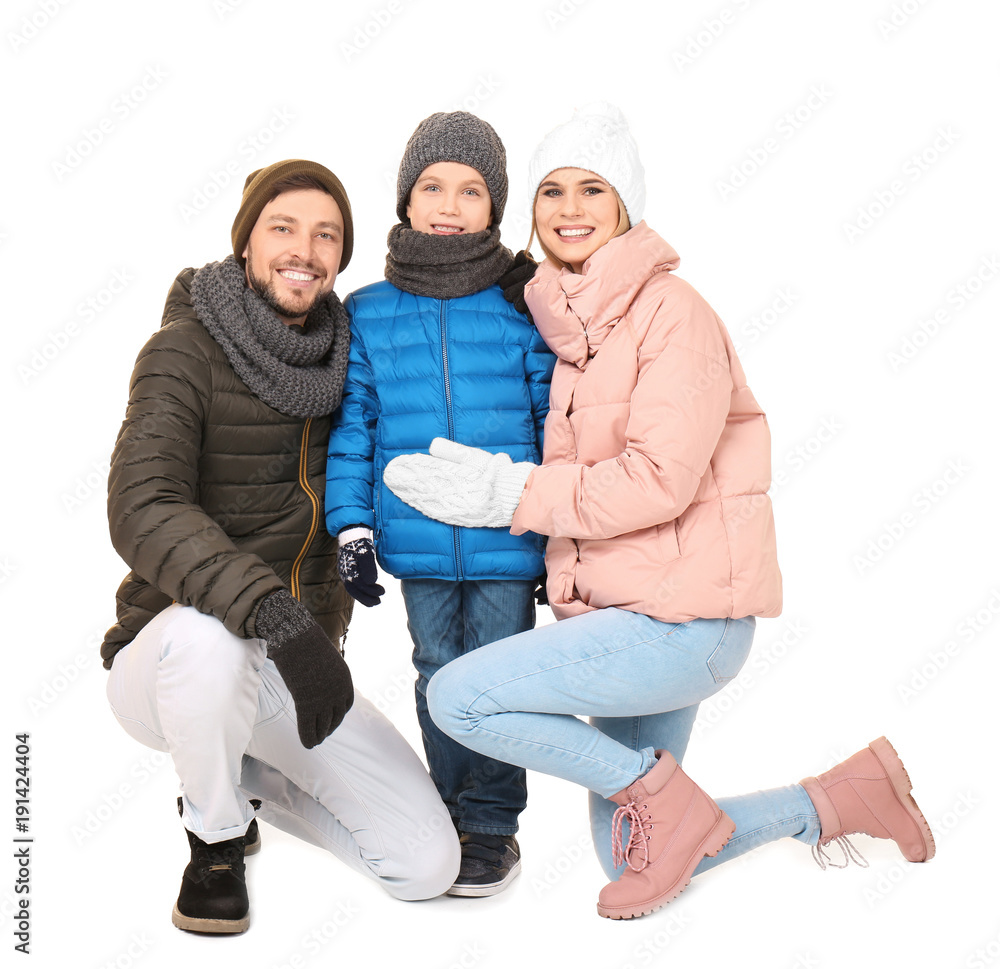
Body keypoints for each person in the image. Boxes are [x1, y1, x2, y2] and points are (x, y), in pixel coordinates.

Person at [383, 104, 935, 920]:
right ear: (530, 216)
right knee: (631, 854)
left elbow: (658, 480)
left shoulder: (672, 313)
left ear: (625, 208)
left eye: (592, 190)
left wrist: (515, 495)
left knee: (458, 696)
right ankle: (841, 798)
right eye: (552, 192)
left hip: (684, 623)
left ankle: (662, 795)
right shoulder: (578, 326)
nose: (570, 209)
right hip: (626, 617)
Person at [102, 159, 459, 935]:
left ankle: (241, 776)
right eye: (284, 228)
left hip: (290, 661)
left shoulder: (342, 359)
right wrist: (271, 610)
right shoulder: (184, 351)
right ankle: (216, 838)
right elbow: (142, 506)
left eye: (326, 235)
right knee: (208, 637)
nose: (305, 249)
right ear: (247, 242)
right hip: (167, 657)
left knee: (427, 865)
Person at [325, 111, 555, 897]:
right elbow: (354, 424)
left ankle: (492, 823)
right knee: (436, 667)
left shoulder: (525, 305)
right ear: (405, 198)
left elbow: (554, 418)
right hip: (417, 536)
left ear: (495, 207)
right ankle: (450, 812)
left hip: (506, 532)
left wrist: (561, 533)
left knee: (498, 676)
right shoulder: (370, 310)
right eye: (432, 185)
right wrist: (352, 524)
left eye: (470, 189)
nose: (449, 203)